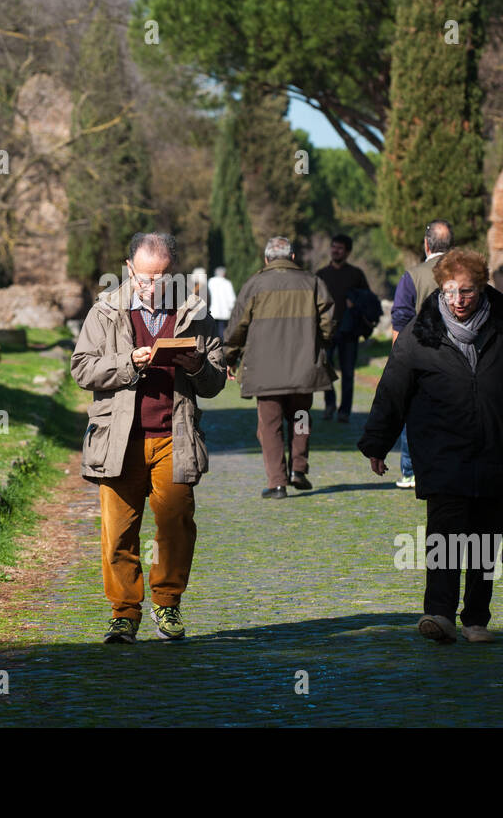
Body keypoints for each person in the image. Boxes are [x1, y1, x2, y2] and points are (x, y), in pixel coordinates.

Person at [358, 248, 503, 645]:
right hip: (441, 449)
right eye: (449, 292)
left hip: (496, 448)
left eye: (466, 291)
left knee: (484, 536)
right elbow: (394, 388)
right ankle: (440, 614)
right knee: (445, 534)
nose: (457, 300)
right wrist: (378, 442)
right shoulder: (419, 333)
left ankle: (476, 619)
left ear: (481, 288)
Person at [70, 232, 227, 644]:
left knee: (176, 525)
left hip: (175, 437)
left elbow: (214, 383)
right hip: (118, 440)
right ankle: (123, 613)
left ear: (175, 274)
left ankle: (168, 604)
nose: (151, 287)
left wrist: (195, 366)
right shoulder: (105, 311)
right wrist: (128, 363)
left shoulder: (196, 313)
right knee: (119, 532)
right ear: (128, 269)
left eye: (161, 278)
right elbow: (82, 368)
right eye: (144, 278)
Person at [223, 236, 335, 498]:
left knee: (270, 426)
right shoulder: (313, 283)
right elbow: (329, 321)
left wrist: (229, 357)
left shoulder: (254, 284)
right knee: (301, 417)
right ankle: (299, 468)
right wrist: (320, 343)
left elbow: (237, 326)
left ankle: (277, 482)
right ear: (292, 257)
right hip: (304, 366)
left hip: (265, 370)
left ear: (266, 259)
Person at [389, 219, 454, 488]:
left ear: (426, 244)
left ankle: (411, 470)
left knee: (414, 412)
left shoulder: (412, 277)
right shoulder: (466, 275)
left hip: (421, 356)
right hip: (459, 357)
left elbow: (401, 322)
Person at [316, 234, 371, 422]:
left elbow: (368, 300)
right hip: (326, 332)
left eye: (339, 248)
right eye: (333, 247)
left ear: (347, 252)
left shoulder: (356, 275)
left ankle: (344, 411)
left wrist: (355, 302)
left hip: (349, 331)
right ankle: (329, 404)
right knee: (325, 371)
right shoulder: (321, 275)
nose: (335, 251)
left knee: (348, 373)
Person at [207, 266, 236, 339]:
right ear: (224, 274)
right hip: (224, 313)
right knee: (222, 331)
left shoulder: (210, 282)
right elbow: (232, 299)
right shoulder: (227, 283)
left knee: (213, 332)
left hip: (212, 311)